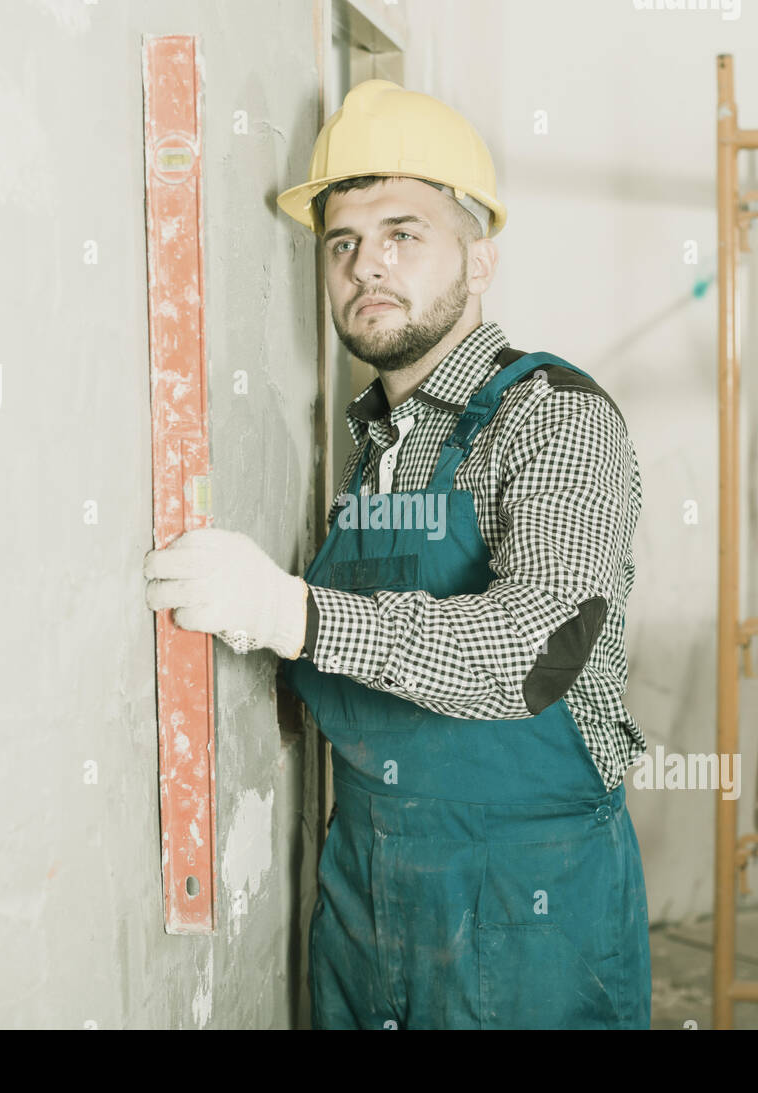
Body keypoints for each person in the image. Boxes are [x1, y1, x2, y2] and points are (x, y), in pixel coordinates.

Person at [143, 79, 649, 1029]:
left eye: (404, 233)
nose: (367, 264)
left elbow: (532, 648)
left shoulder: (555, 420)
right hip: (364, 895)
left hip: (526, 908)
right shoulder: (379, 443)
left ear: (481, 256)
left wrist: (292, 613)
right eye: (344, 244)